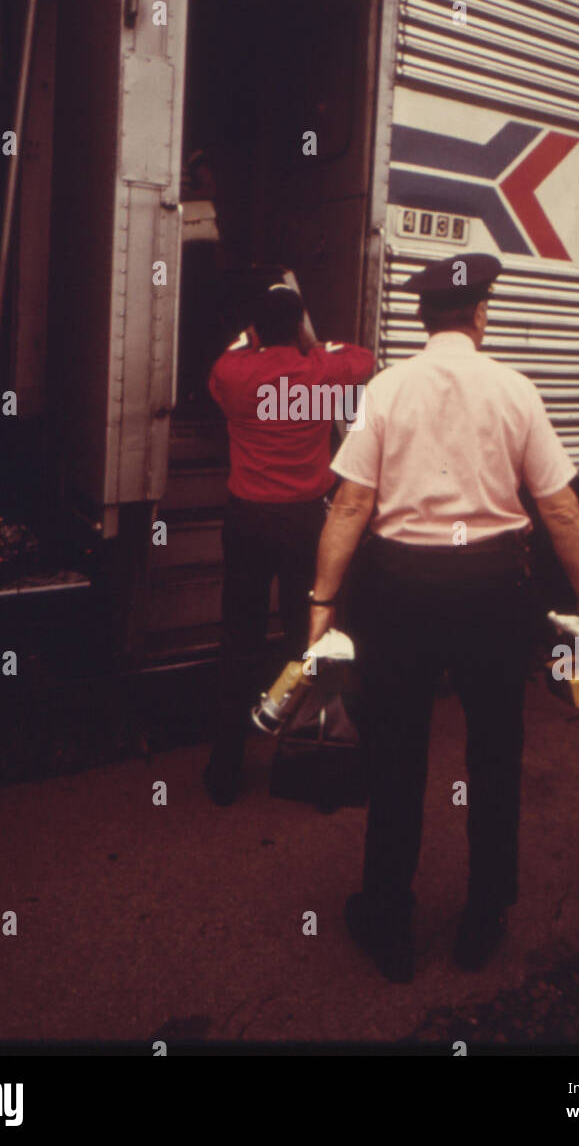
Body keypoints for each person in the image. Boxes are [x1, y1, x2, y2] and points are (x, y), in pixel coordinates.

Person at [306, 252, 579, 982]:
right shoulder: (514, 389)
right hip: (491, 591)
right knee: (494, 754)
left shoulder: (386, 388)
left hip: (399, 593)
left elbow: (350, 503)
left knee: (397, 758)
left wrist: (321, 603)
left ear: (423, 317)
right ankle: (484, 918)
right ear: (480, 313)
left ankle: (388, 926)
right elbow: (559, 506)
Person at [204, 283, 375, 805]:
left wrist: (252, 340)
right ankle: (306, 755)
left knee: (240, 642)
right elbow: (365, 359)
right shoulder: (324, 370)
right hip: (306, 526)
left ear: (254, 329)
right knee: (307, 640)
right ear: (299, 327)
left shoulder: (232, 374)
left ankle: (225, 771)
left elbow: (227, 357)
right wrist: (312, 345)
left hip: (249, 522)